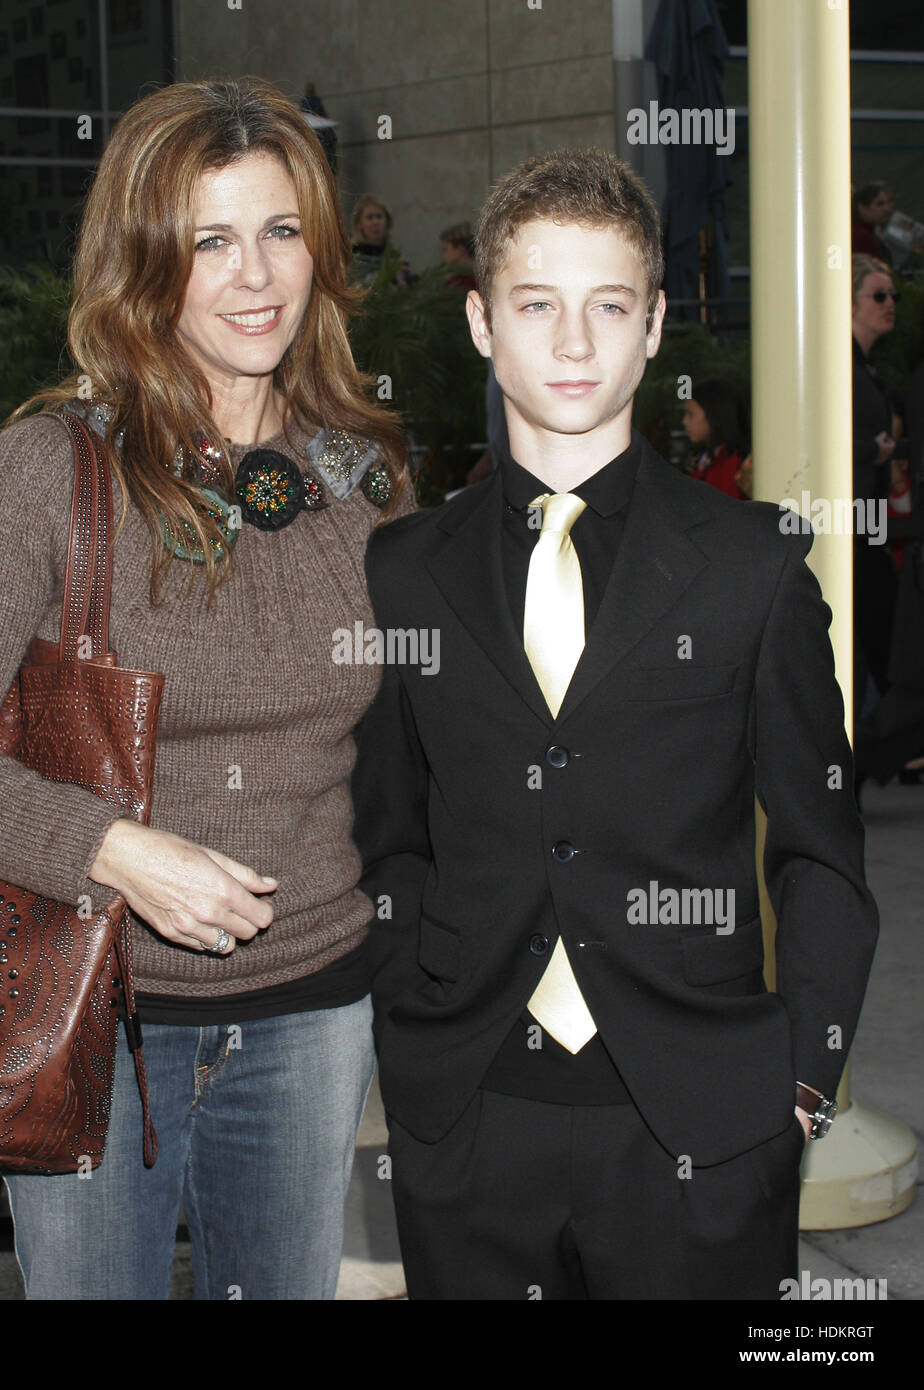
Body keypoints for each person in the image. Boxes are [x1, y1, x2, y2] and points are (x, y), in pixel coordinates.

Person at [0, 76, 409, 1301]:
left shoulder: (359, 468)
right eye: (209, 241)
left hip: (318, 1011)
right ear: (143, 261)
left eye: (279, 231)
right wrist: (116, 848)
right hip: (100, 1021)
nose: (254, 274)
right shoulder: (47, 468)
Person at [352, 146, 879, 1300]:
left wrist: (800, 1081)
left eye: (609, 307)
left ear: (652, 329)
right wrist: (408, 1025)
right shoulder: (399, 573)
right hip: (469, 1118)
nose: (575, 343)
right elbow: (386, 836)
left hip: (704, 1124)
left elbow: (818, 850)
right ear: (483, 322)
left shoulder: (751, 565)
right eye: (537, 305)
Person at [851, 253, 907, 718]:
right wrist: (874, 449)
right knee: (884, 639)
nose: (890, 304)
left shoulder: (859, 366)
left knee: (881, 639)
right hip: (848, 524)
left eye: (893, 296)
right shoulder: (839, 367)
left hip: (865, 524)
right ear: (848, 302)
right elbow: (815, 431)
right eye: (878, 295)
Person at [682, 378, 748, 499]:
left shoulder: (734, 465)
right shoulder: (702, 459)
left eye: (690, 414)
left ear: (713, 416)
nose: (684, 421)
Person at [350, 193, 414, 287]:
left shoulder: (395, 256)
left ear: (387, 222)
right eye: (369, 217)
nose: (375, 222)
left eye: (379, 216)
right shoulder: (350, 255)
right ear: (359, 223)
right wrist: (387, 273)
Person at [851, 182, 895, 264]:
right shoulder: (861, 235)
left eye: (888, 203)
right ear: (862, 207)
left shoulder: (871, 230)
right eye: (880, 204)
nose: (887, 209)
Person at [440, 221, 476, 292]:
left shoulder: (457, 282)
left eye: (445, 249)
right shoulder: (483, 274)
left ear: (460, 249)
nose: (444, 256)